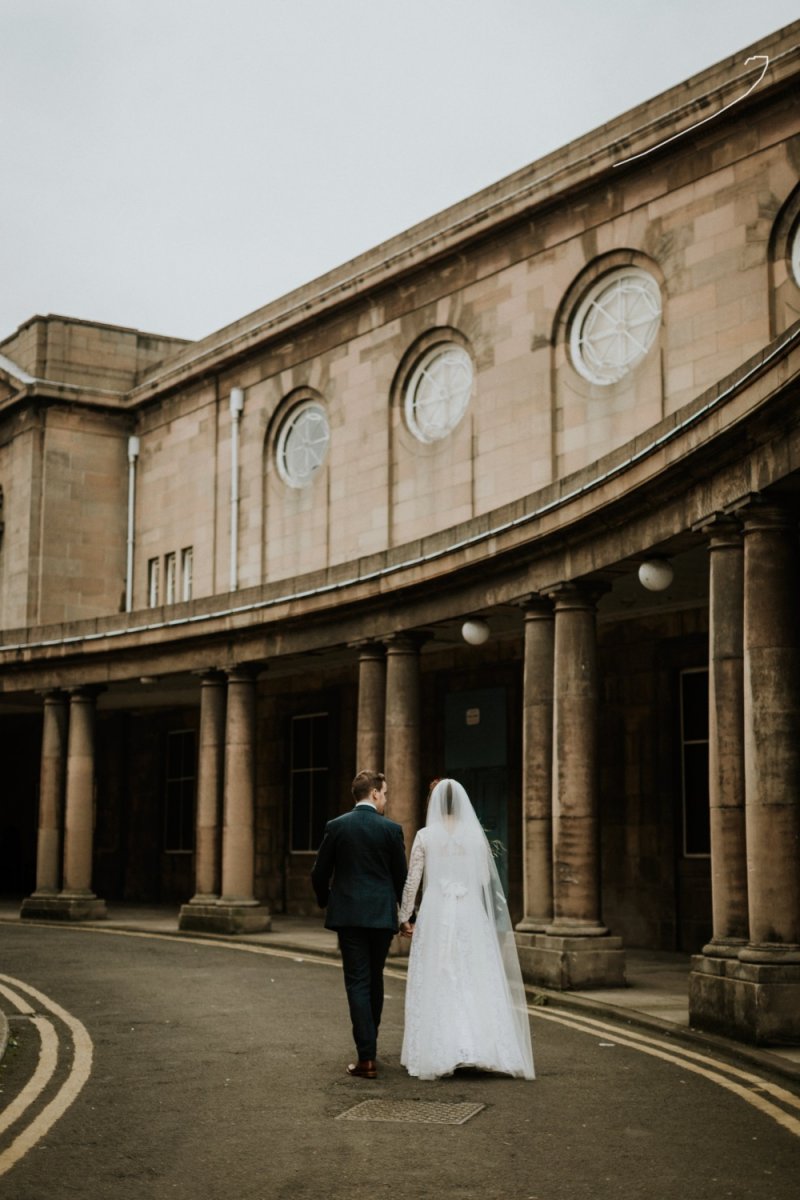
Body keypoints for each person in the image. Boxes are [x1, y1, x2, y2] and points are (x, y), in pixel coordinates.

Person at [398, 777, 535, 1081]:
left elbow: (413, 882)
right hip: (469, 910)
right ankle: (480, 1047)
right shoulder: (474, 837)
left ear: (432, 803)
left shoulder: (425, 836)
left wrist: (404, 917)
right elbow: (486, 879)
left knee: (439, 975)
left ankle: (442, 1049)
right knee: (474, 974)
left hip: (436, 912)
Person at [311, 769, 408, 1080]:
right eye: (386, 793)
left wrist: (327, 900)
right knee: (374, 979)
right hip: (381, 917)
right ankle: (370, 1047)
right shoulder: (392, 830)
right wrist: (407, 917)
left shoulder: (337, 826)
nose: (386, 799)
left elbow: (318, 872)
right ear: (375, 793)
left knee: (357, 981)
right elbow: (401, 880)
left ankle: (366, 1057)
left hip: (349, 916)